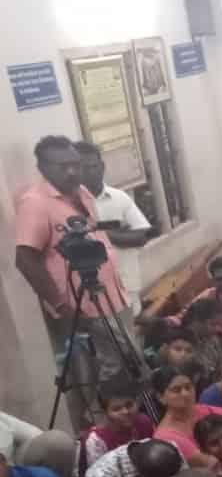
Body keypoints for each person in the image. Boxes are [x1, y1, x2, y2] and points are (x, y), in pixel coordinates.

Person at [15, 136, 133, 428]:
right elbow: (25, 259)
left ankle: (120, 419)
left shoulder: (81, 192)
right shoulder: (35, 203)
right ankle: (103, 425)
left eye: (75, 165)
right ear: (43, 168)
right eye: (62, 166)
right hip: (79, 304)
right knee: (113, 363)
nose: (71, 172)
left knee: (123, 361)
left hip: (109, 295)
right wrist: (60, 304)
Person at [76, 141, 150, 248]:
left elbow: (143, 236)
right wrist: (121, 235)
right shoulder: (70, 204)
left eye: (94, 166)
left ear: (102, 167)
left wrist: (104, 234)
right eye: (85, 168)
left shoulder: (119, 197)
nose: (91, 172)